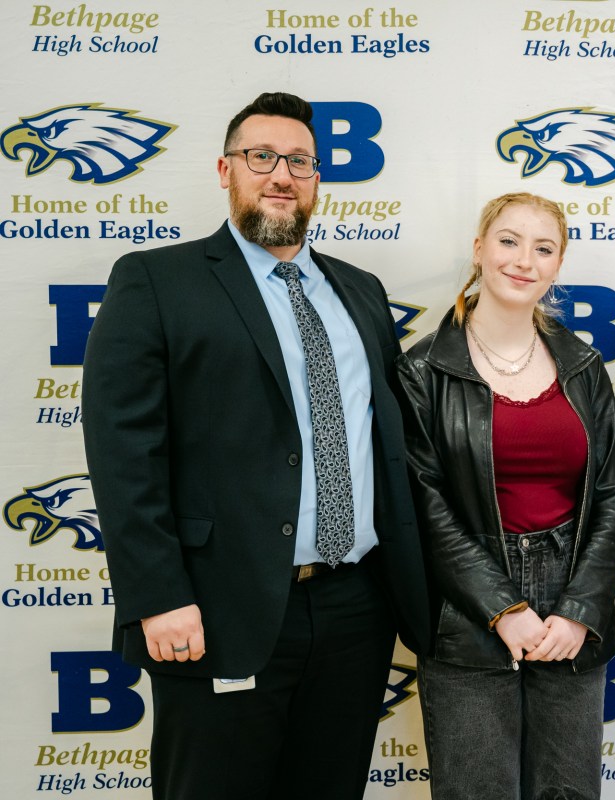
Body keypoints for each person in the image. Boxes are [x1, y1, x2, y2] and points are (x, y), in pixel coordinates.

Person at [81, 92, 430, 800]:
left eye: (299, 161)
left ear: (317, 179)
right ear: (224, 170)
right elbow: (123, 453)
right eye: (261, 157)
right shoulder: (157, 280)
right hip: (216, 610)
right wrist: (158, 596)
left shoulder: (361, 292)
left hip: (355, 610)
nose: (281, 175)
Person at [396, 192, 615, 800]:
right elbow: (425, 505)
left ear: (557, 266)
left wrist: (580, 609)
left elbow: (609, 493)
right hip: (466, 607)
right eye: (508, 240)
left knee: (567, 792)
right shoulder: (423, 371)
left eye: (543, 248)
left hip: (570, 604)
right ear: (479, 249)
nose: (524, 259)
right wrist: (502, 607)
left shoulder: (583, 366)